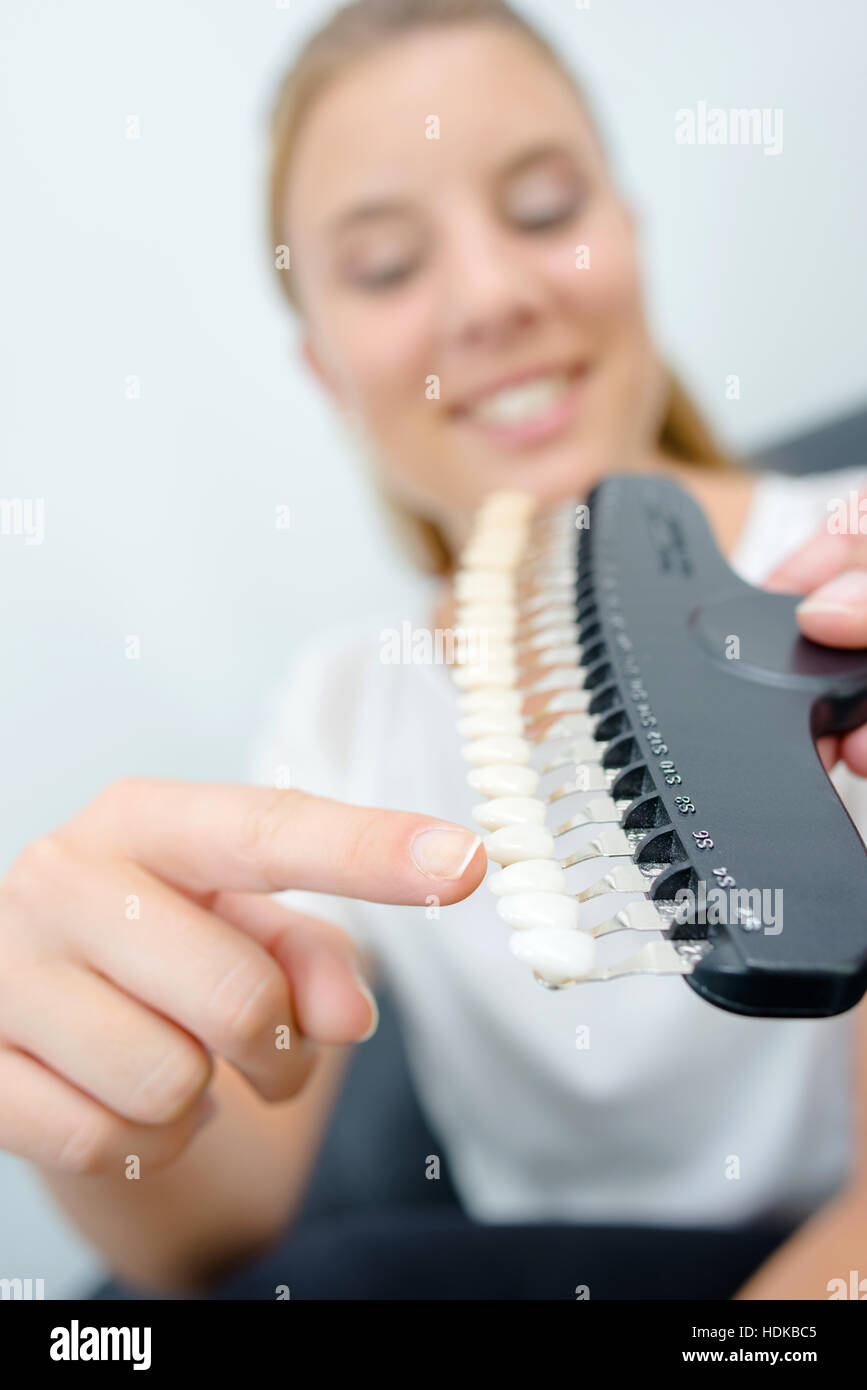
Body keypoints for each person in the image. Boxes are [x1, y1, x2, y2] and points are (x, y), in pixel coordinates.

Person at [3, 0, 867, 1300]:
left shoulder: (852, 562)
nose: (491, 297)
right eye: (388, 266)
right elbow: (207, 1243)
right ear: (325, 369)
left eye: (541, 210)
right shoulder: (346, 711)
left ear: (628, 233)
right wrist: (81, 1088)